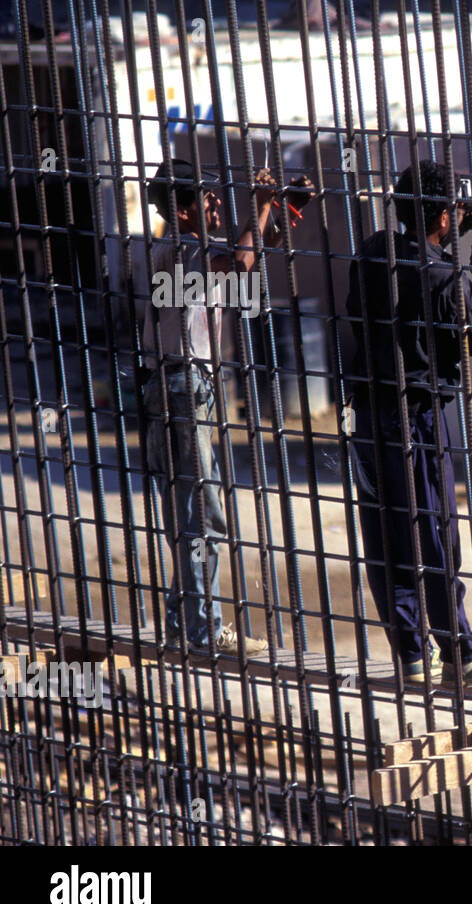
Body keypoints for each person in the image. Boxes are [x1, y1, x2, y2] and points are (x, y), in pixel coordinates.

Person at [346, 159, 472, 686]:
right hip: (418, 419)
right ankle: (463, 654)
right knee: (435, 534)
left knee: (386, 531)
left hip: (369, 416)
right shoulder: (448, 277)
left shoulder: (373, 254)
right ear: (444, 217)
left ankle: (413, 654)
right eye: (458, 212)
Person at [142, 158, 314, 655]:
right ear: (185, 208)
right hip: (181, 387)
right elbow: (239, 262)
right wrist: (260, 206)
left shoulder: (191, 249)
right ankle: (203, 630)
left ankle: (185, 623)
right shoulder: (180, 248)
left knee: (192, 514)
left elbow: (254, 254)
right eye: (208, 197)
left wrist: (277, 211)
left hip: (182, 387)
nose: (217, 202)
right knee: (203, 516)